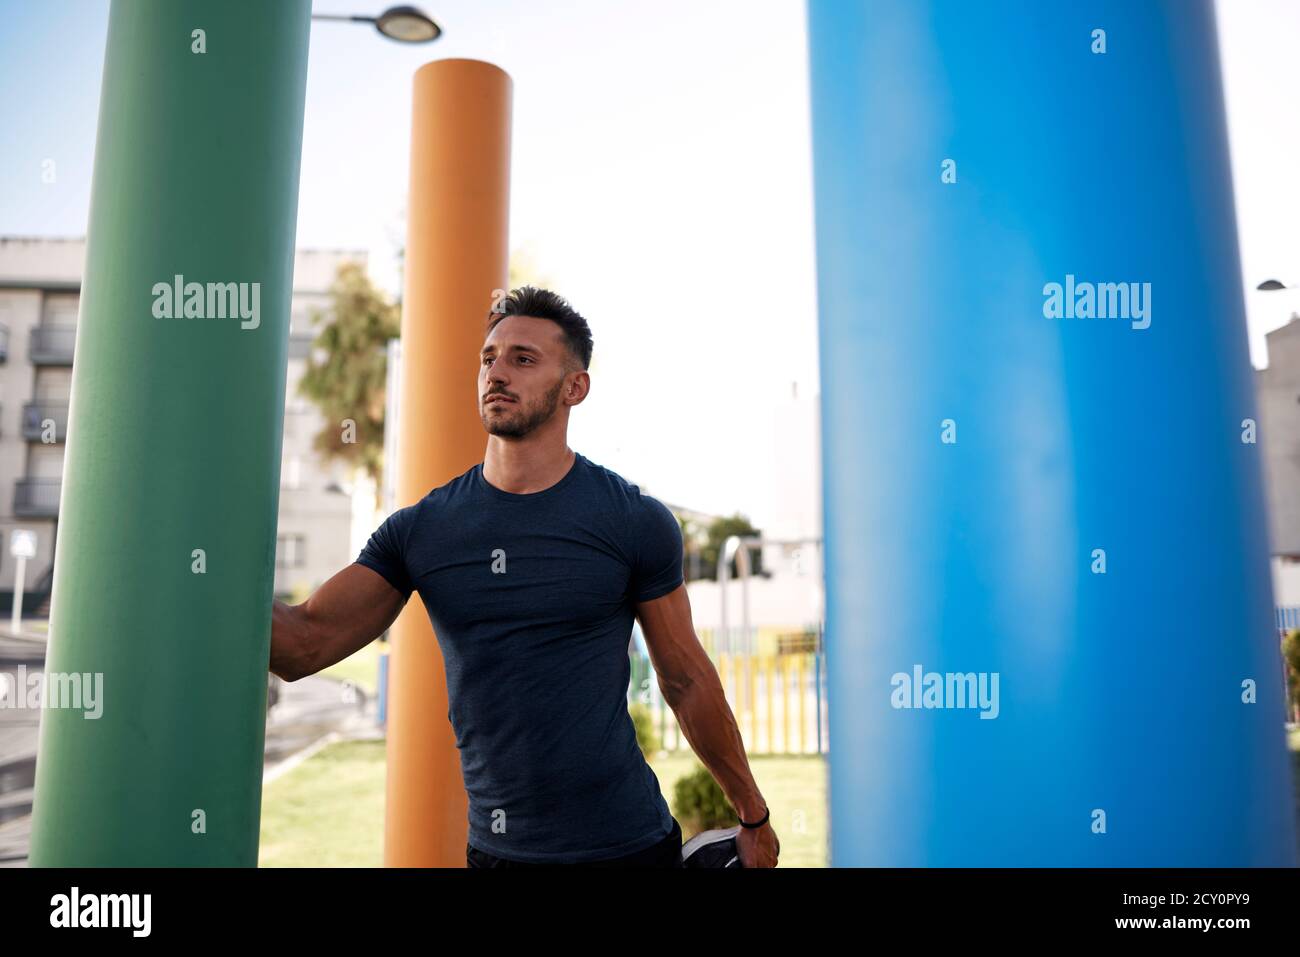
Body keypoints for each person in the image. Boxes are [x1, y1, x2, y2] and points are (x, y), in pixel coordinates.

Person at [269, 286, 779, 868]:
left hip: (630, 847)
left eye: (523, 359)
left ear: (574, 387)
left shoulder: (633, 520)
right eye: (489, 357)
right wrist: (196, 564)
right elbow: (302, 645)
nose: (497, 373)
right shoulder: (424, 530)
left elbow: (686, 680)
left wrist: (752, 815)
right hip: (498, 855)